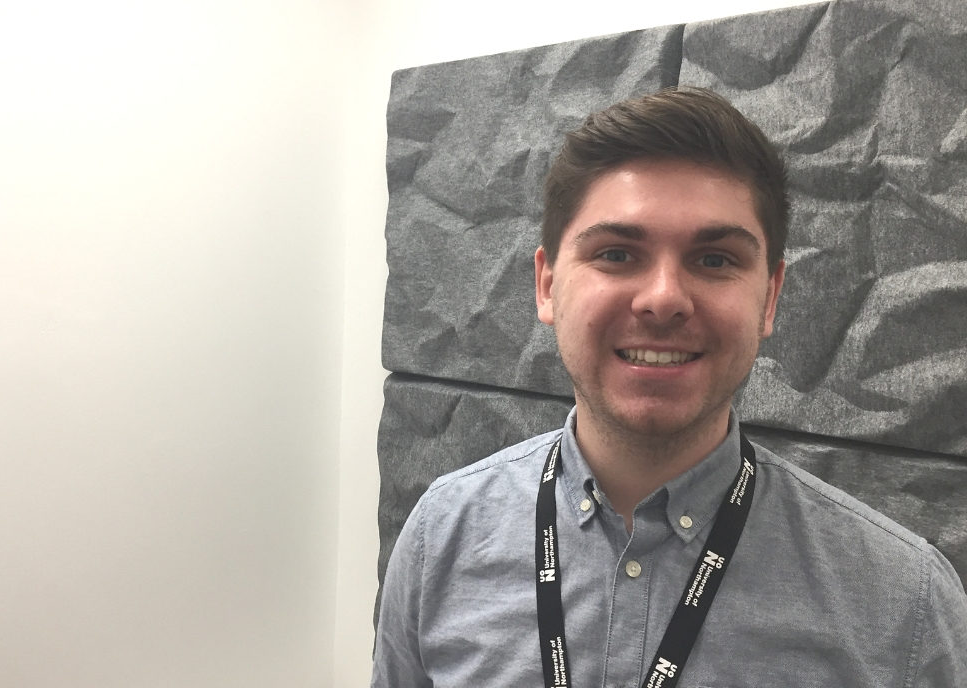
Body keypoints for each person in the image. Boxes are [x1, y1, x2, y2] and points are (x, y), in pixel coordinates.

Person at [371, 87, 967, 687]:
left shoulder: (906, 605)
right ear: (547, 285)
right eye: (616, 253)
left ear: (769, 298)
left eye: (714, 260)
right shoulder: (440, 536)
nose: (663, 299)